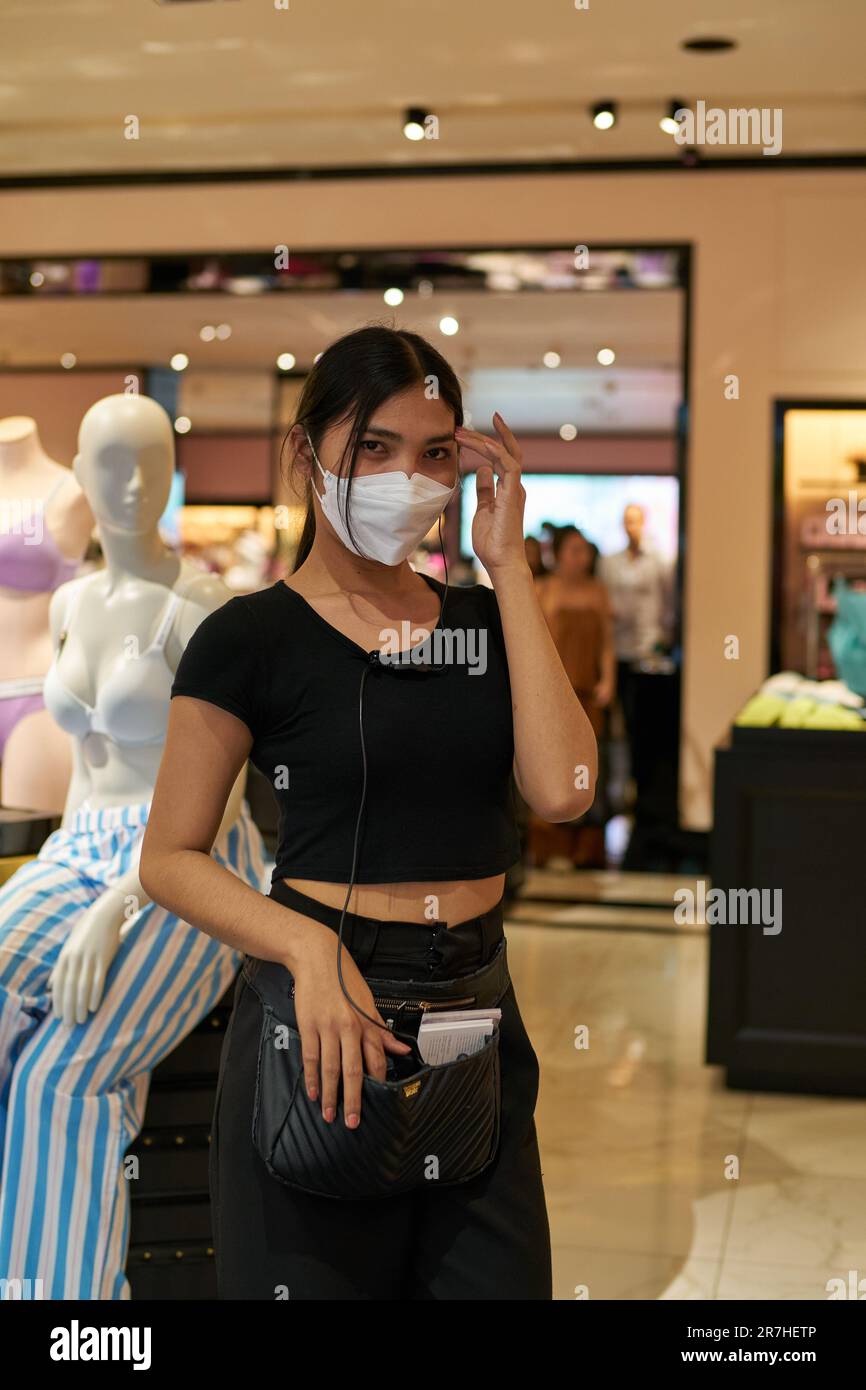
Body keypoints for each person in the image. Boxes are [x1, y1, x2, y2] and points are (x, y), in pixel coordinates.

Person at [139, 324, 598, 1301]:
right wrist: (304, 949)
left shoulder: (482, 619)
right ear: (308, 456)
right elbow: (169, 856)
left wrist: (508, 566)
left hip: (473, 1007)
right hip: (323, 1017)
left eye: (436, 452)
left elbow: (563, 790)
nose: (408, 476)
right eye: (376, 447)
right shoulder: (247, 639)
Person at [528, 526, 615, 869]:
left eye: (585, 550)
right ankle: (551, 845)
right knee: (552, 763)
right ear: (559, 554)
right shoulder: (543, 589)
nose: (583, 557)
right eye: (575, 550)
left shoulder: (598, 591)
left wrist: (608, 680)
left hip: (589, 692)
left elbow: (608, 644)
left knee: (591, 767)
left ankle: (587, 847)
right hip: (553, 693)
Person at [598, 503, 673, 792]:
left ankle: (641, 785)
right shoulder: (611, 562)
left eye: (636, 521)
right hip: (616, 647)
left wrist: (664, 638)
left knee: (643, 723)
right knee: (614, 723)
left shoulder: (658, 561)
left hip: (647, 649)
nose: (632, 527)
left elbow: (668, 602)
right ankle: (614, 784)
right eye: (627, 521)